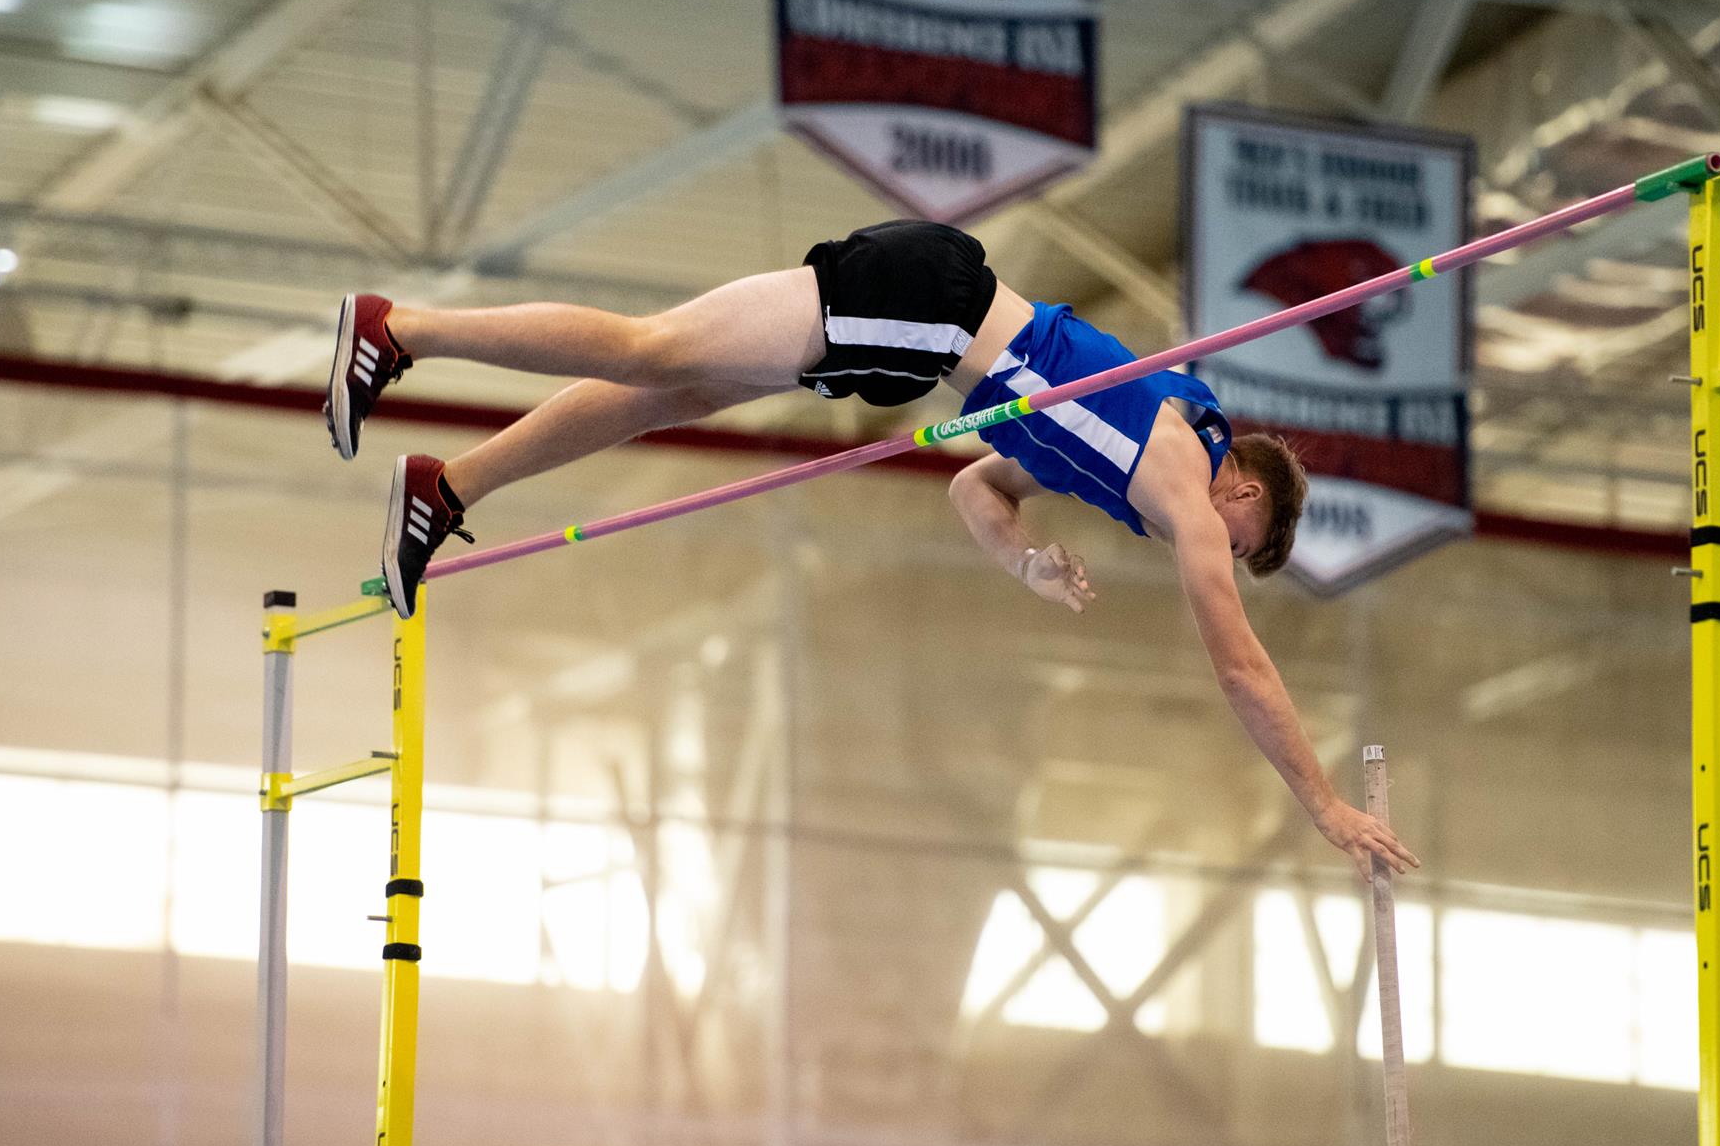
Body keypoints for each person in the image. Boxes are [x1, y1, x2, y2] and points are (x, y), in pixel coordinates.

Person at [323, 218, 1417, 879]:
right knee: (652, 351)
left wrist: (1023, 560)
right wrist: (1319, 801)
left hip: (923, 330)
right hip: (930, 310)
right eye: (1244, 536)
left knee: (668, 393)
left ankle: (448, 485)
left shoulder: (1112, 463)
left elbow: (975, 484)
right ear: (1241, 486)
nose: (1224, 554)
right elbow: (1236, 661)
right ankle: (398, 327)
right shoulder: (1180, 463)